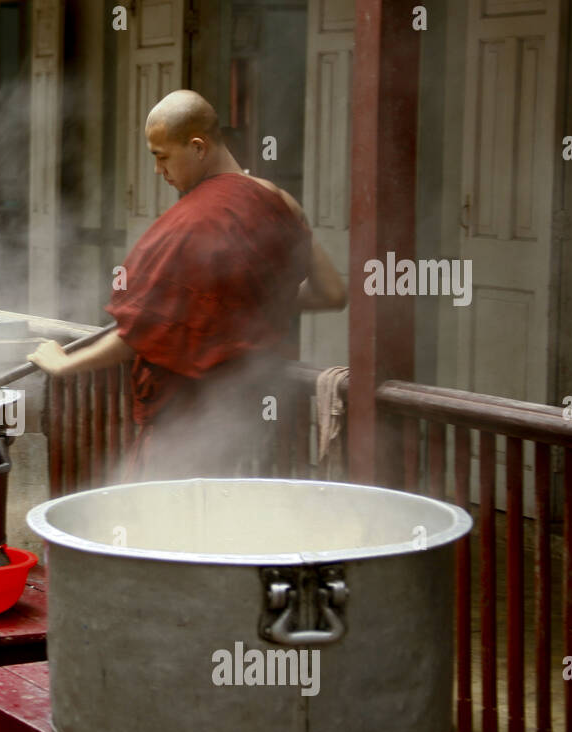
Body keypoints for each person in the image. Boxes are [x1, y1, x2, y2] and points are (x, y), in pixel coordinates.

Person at [27, 89, 346, 481]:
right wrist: (245, 308)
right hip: (259, 412)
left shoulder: (192, 224)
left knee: (169, 528)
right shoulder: (281, 202)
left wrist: (66, 364)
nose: (159, 171)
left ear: (197, 147)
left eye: (162, 156)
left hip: (189, 423)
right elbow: (332, 293)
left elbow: (140, 331)